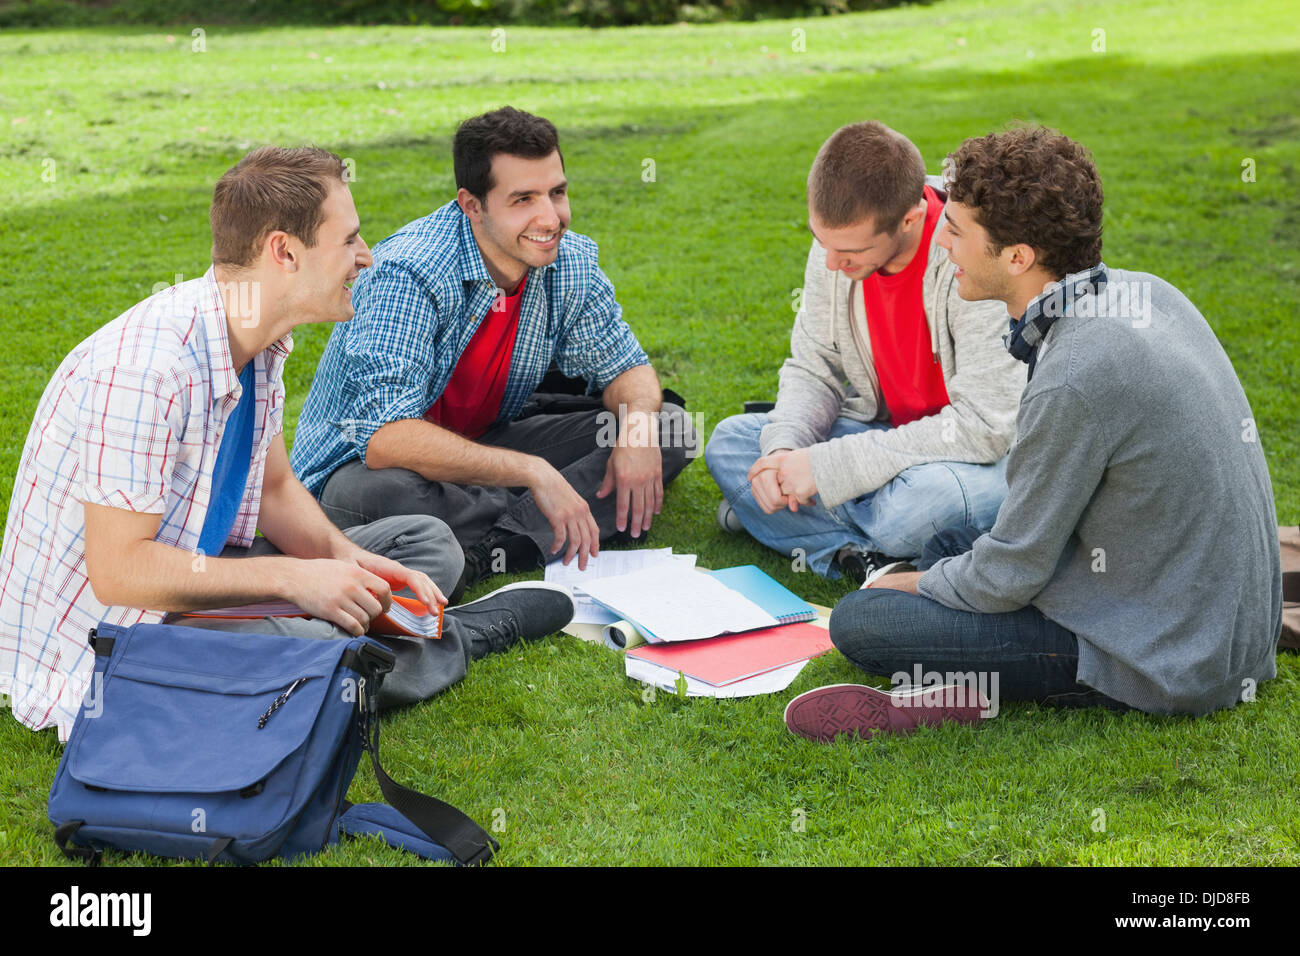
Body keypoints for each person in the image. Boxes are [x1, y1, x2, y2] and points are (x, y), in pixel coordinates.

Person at [0, 146, 573, 743]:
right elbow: (119, 572)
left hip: (206, 568)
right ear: (284, 252)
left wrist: (341, 559)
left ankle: (369, 632)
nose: (365, 257)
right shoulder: (147, 371)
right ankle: (461, 635)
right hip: (121, 626)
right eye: (349, 239)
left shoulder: (257, 343)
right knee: (318, 645)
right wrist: (294, 581)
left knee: (427, 543)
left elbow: (273, 490)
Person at [785, 126, 1281, 742]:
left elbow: (1007, 577)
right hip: (1203, 615)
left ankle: (971, 687)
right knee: (950, 544)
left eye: (957, 231)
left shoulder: (1074, 374)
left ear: (1017, 257)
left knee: (864, 620)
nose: (941, 245)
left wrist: (901, 583)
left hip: (1163, 657)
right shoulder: (1145, 291)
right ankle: (960, 680)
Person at [290, 107, 695, 599]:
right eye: (523, 199)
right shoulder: (410, 271)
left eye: (557, 192)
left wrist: (634, 434)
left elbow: (626, 367)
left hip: (487, 441)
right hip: (364, 471)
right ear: (473, 205)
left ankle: (487, 547)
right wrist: (533, 472)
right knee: (385, 494)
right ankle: (538, 518)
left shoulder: (568, 260)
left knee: (668, 428)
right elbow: (385, 439)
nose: (550, 218)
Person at [704, 121, 1024, 584]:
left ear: (910, 218)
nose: (831, 263)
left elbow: (985, 428)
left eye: (850, 251)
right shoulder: (837, 247)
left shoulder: (969, 255)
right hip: (887, 434)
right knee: (732, 444)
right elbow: (815, 367)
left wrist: (829, 469)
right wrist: (786, 451)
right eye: (822, 242)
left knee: (919, 505)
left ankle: (793, 524)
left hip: (980, 456)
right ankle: (869, 553)